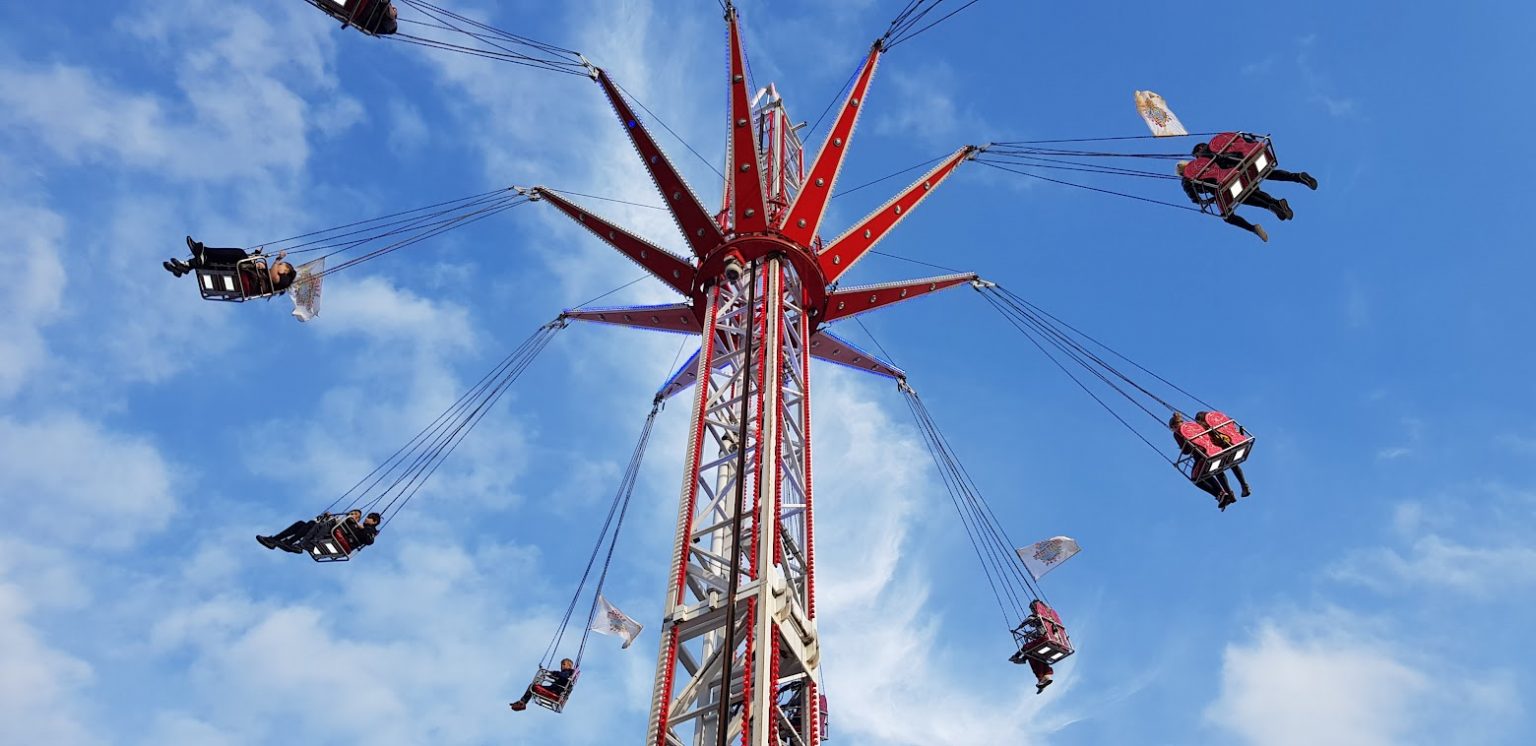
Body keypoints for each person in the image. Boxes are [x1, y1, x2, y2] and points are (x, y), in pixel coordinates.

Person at [164, 236, 297, 296]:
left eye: (282, 265)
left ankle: (203, 252)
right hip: (244, 276)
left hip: (247, 281)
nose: (279, 265)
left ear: (286, 271)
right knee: (215, 262)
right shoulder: (265, 274)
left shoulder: (281, 281)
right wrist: (256, 259)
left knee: (239, 253)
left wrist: (277, 260)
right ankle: (185, 266)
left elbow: (274, 277)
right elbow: (268, 274)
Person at [1170, 412, 1236, 510]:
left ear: (1173, 426)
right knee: (1206, 474)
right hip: (1213, 451)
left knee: (1195, 479)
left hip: (1202, 456)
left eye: (1173, 428)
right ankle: (1223, 494)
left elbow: (1186, 451)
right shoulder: (1194, 426)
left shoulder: (1177, 433)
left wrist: (1183, 447)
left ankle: (1220, 494)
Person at [1008, 616, 1055, 694]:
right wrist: (1030, 634)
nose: (1031, 625)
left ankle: (1018, 657)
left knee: (1027, 648)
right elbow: (1039, 632)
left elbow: (1029, 620)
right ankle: (1046, 679)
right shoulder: (1050, 621)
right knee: (1039, 659)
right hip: (1052, 641)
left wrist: (1020, 627)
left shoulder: (1038, 618)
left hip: (1043, 640)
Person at [509, 658, 576, 711]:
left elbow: (563, 676)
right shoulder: (567, 674)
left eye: (564, 664)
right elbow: (561, 678)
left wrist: (555, 673)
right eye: (561, 665)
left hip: (555, 691)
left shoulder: (568, 672)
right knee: (533, 686)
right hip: (555, 689)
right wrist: (550, 675)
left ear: (569, 666)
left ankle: (522, 703)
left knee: (533, 686)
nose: (561, 666)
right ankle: (522, 702)